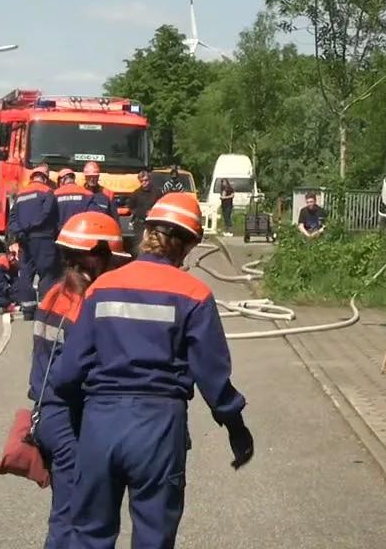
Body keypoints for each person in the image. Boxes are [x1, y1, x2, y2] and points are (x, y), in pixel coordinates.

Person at [50, 192, 254, 549]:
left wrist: (72, 421)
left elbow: (68, 372)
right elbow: (212, 376)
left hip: (101, 422)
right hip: (159, 426)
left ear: (146, 234)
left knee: (88, 535)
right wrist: (236, 428)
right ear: (186, 244)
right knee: (153, 536)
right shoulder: (194, 293)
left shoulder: (102, 288)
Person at [32, 211, 130, 549]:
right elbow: (76, 372)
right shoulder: (84, 303)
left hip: (47, 411)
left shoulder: (54, 293)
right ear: (95, 255)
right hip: (67, 416)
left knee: (65, 513)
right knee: (75, 515)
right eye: (110, 259)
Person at [8, 165, 59, 319]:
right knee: (47, 274)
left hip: (24, 240)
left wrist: (21, 231)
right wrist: (31, 227)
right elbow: (47, 214)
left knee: (26, 273)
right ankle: (45, 309)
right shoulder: (47, 192)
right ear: (44, 178)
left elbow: (12, 219)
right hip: (43, 238)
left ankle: (28, 309)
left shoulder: (20, 195)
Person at [126, 169, 161, 241]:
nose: (144, 183)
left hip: (153, 224)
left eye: (146, 180)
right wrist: (143, 212)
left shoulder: (157, 192)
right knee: (140, 245)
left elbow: (161, 206)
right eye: (141, 181)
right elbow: (131, 208)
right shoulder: (136, 193)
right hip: (140, 224)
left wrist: (153, 212)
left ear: (150, 179)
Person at [55, 167, 94, 232]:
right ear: (73, 179)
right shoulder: (88, 194)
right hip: (80, 232)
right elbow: (92, 216)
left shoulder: (55, 194)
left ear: (61, 180)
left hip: (61, 234)